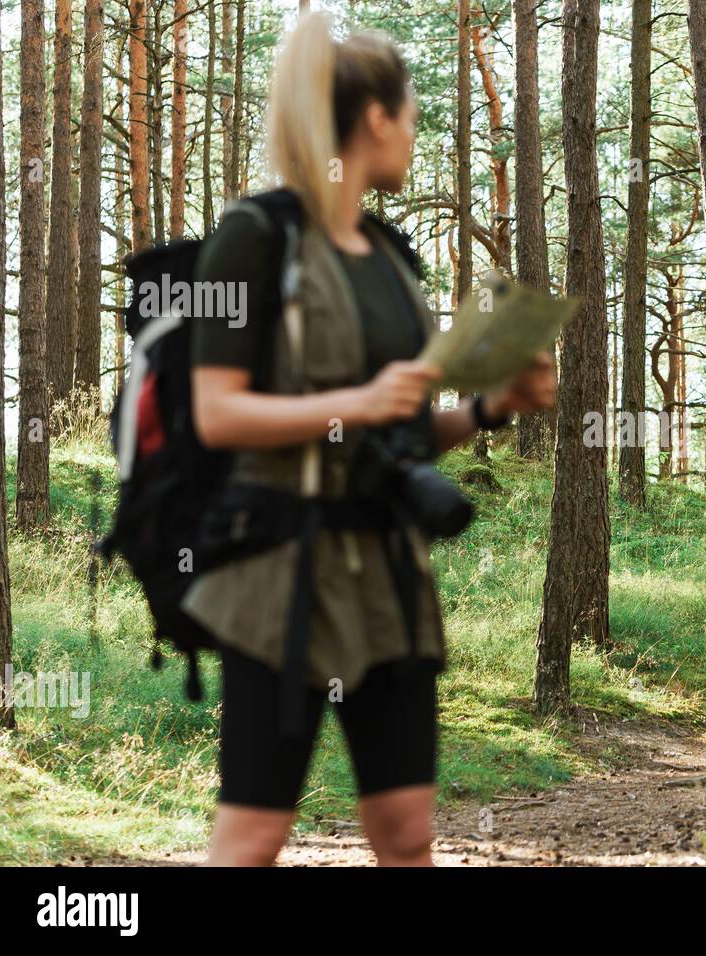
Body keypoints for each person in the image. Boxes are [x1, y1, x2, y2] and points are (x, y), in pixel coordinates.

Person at [187, 12, 555, 866]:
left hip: (390, 579)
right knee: (253, 835)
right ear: (378, 119)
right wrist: (352, 400)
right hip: (279, 575)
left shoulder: (394, 261)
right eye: (414, 113)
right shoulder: (254, 238)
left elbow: (404, 431)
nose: (417, 131)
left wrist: (492, 410)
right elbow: (218, 415)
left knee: (405, 834)